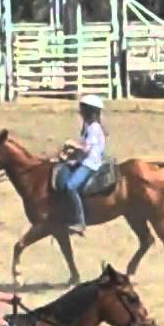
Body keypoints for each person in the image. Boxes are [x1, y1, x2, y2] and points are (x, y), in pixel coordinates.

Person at [57, 94, 107, 236]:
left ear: (89, 111)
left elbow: (86, 150)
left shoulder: (94, 128)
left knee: (70, 186)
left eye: (82, 109)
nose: (80, 112)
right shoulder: (89, 127)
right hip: (86, 160)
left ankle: (80, 222)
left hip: (90, 164)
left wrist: (71, 144)